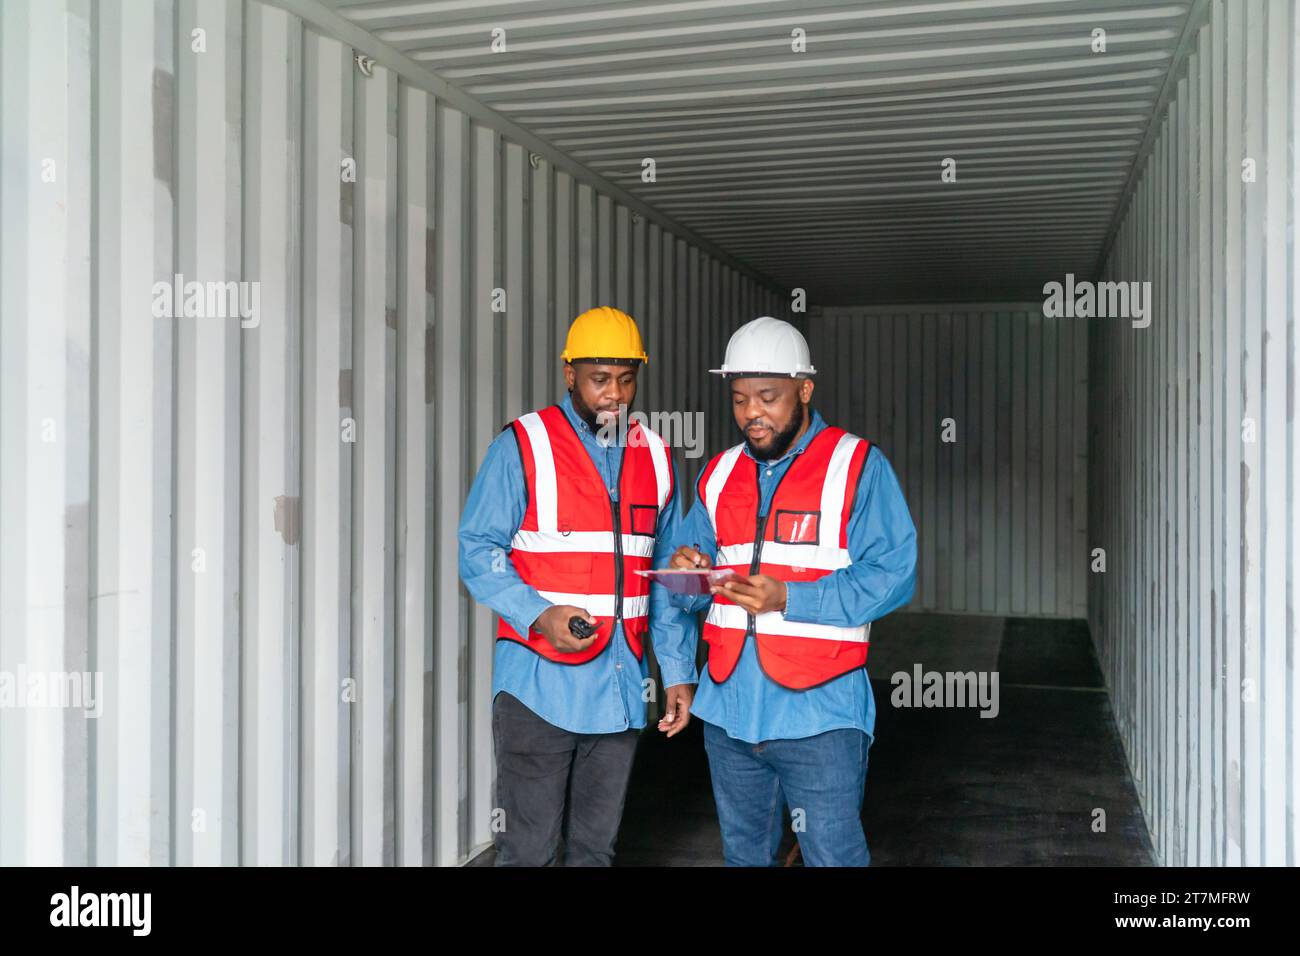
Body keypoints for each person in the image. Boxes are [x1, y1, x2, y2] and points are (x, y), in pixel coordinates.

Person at [668, 315, 916, 866]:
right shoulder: (718, 474)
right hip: (729, 709)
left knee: (832, 855)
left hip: (820, 712)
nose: (751, 413)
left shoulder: (856, 466)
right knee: (744, 856)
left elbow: (894, 573)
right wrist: (687, 571)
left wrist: (792, 599)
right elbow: (685, 588)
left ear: (805, 389)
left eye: (768, 396)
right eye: (738, 399)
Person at [458, 305, 698, 866]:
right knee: (530, 851)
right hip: (537, 688)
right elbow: (477, 549)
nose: (613, 394)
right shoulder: (524, 445)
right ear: (570, 375)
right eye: (598, 380)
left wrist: (678, 671)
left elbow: (665, 577)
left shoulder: (658, 458)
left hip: (619, 690)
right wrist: (537, 613)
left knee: (595, 851)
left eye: (626, 379)